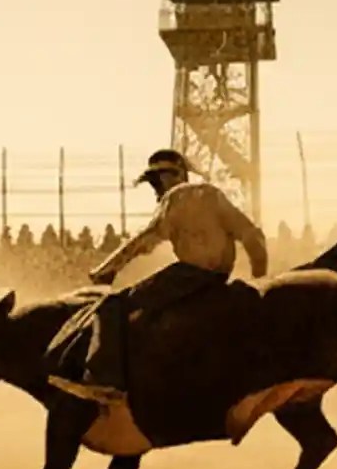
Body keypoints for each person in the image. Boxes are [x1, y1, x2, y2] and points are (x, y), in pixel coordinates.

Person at [47, 149, 269, 404]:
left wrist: (106, 270)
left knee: (112, 305)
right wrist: (259, 279)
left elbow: (143, 241)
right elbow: (252, 236)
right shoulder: (213, 196)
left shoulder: (174, 199)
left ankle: (104, 380)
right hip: (218, 276)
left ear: (172, 176)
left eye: (155, 181)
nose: (155, 189)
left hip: (190, 276)